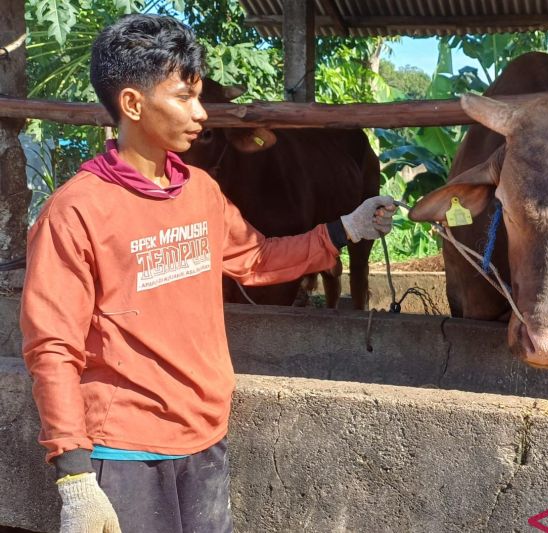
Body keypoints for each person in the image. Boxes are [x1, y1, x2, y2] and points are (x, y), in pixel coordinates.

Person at [20, 14, 396, 533]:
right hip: (123, 451)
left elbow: (258, 258)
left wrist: (344, 230)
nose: (200, 115)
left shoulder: (200, 191)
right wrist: (75, 475)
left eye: (201, 98)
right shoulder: (76, 211)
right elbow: (52, 346)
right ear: (132, 104)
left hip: (205, 438)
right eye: (184, 98)